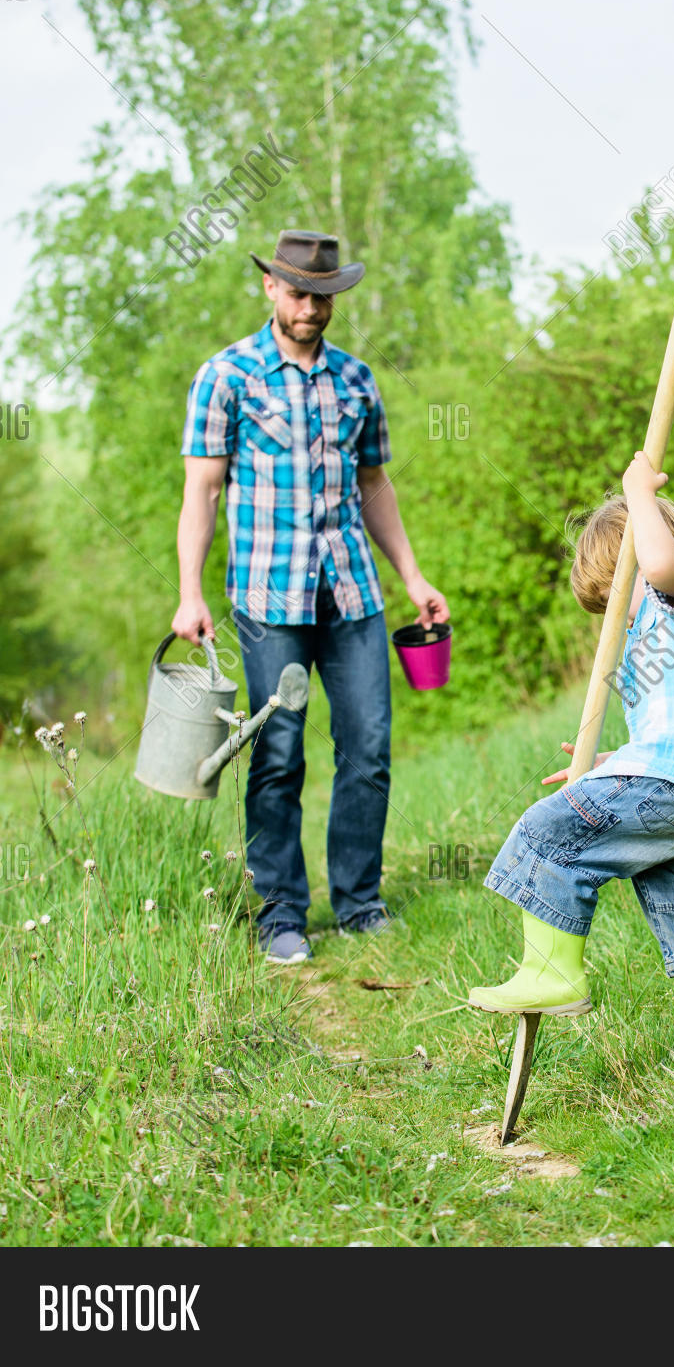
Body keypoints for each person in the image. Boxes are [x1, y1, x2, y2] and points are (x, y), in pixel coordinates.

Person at [173, 230, 449, 964]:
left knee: (368, 750)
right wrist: (188, 594)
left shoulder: (357, 380)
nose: (311, 307)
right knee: (277, 755)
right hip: (267, 600)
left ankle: (359, 903)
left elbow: (374, 486)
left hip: (352, 592)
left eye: (323, 296)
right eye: (298, 293)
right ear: (270, 287)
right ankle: (281, 916)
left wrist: (413, 578)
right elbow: (201, 491)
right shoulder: (226, 376)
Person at [469, 450, 674, 1050]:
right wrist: (616, 764)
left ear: (635, 557)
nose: (617, 617)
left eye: (616, 597)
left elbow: (661, 564)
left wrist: (637, 492)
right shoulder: (664, 636)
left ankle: (552, 973)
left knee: (550, 831)